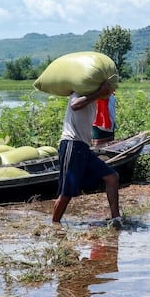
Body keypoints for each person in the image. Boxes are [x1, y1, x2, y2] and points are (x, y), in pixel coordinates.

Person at [52, 80, 121, 226]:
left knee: (112, 177)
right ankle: (54, 224)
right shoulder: (78, 93)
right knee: (66, 192)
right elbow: (75, 105)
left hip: (83, 147)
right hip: (71, 144)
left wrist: (100, 94)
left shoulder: (92, 97)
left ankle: (116, 219)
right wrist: (98, 93)